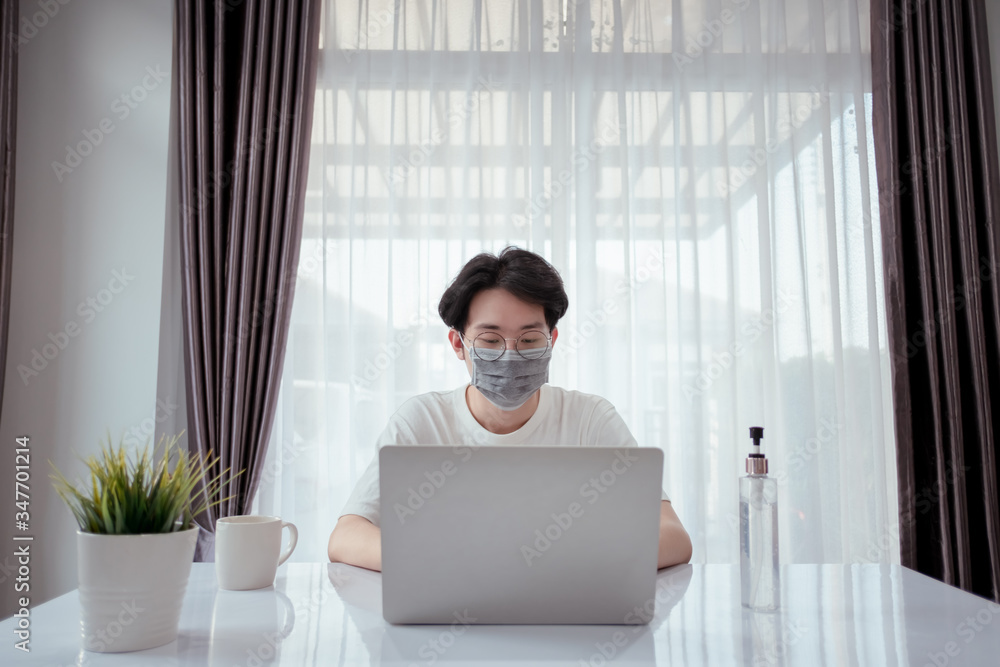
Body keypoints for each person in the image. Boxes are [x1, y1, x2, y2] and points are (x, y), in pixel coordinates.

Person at [327, 246, 692, 571]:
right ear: (458, 344)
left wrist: (564, 559)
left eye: (529, 339)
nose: (510, 354)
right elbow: (347, 536)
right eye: (489, 339)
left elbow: (673, 536)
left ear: (552, 341)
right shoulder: (421, 422)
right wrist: (442, 559)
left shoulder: (590, 420)